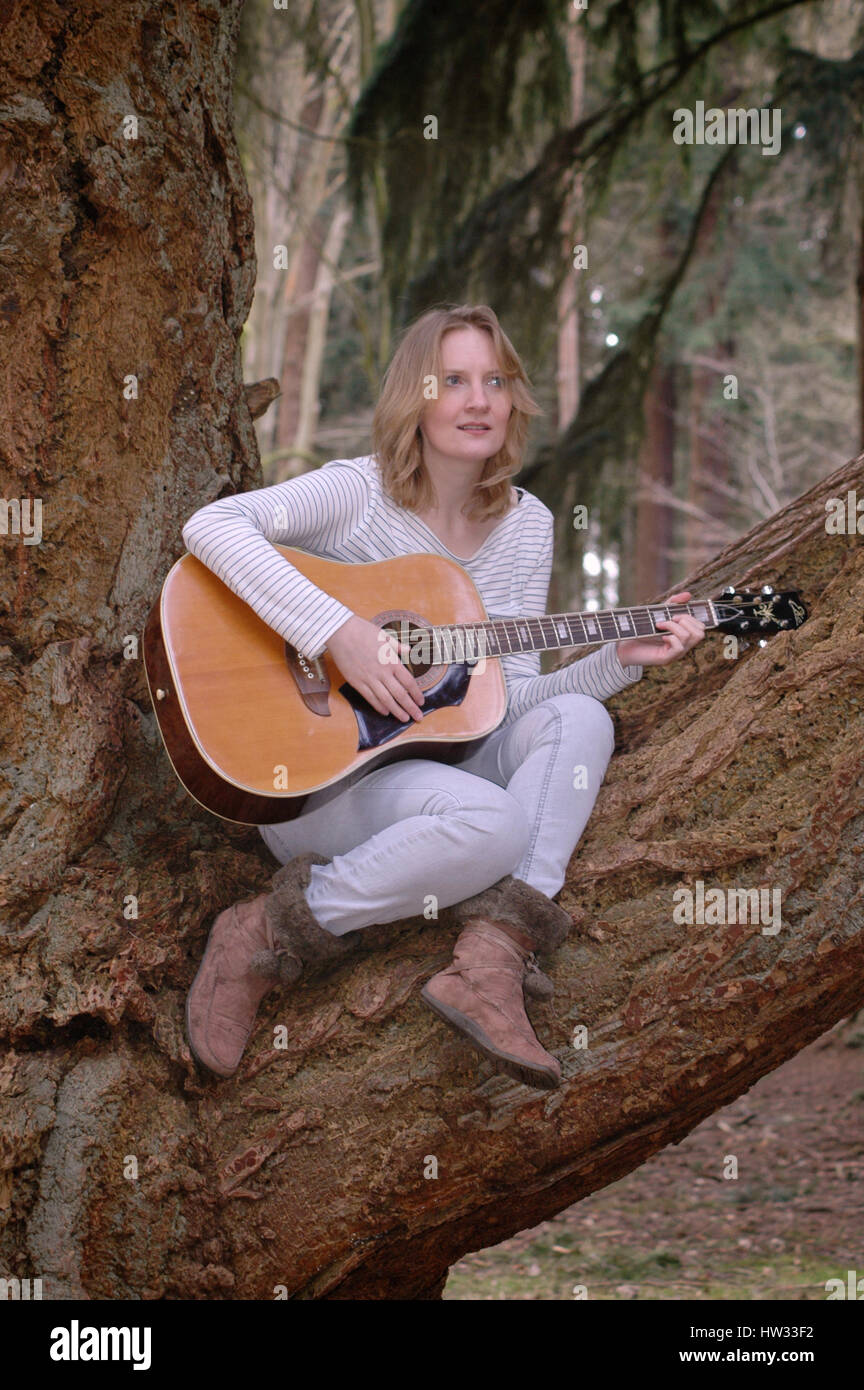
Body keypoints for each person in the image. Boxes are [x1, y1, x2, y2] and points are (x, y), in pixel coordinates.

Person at [181, 303, 705, 1089]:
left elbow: (512, 701)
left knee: (579, 716)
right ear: (413, 398)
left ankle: (491, 959)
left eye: (495, 381)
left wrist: (619, 659)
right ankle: (265, 931)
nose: (478, 400)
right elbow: (213, 528)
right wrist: (339, 633)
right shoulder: (356, 493)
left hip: (438, 769)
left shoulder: (528, 525)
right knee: (490, 824)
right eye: (453, 380)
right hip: (322, 779)